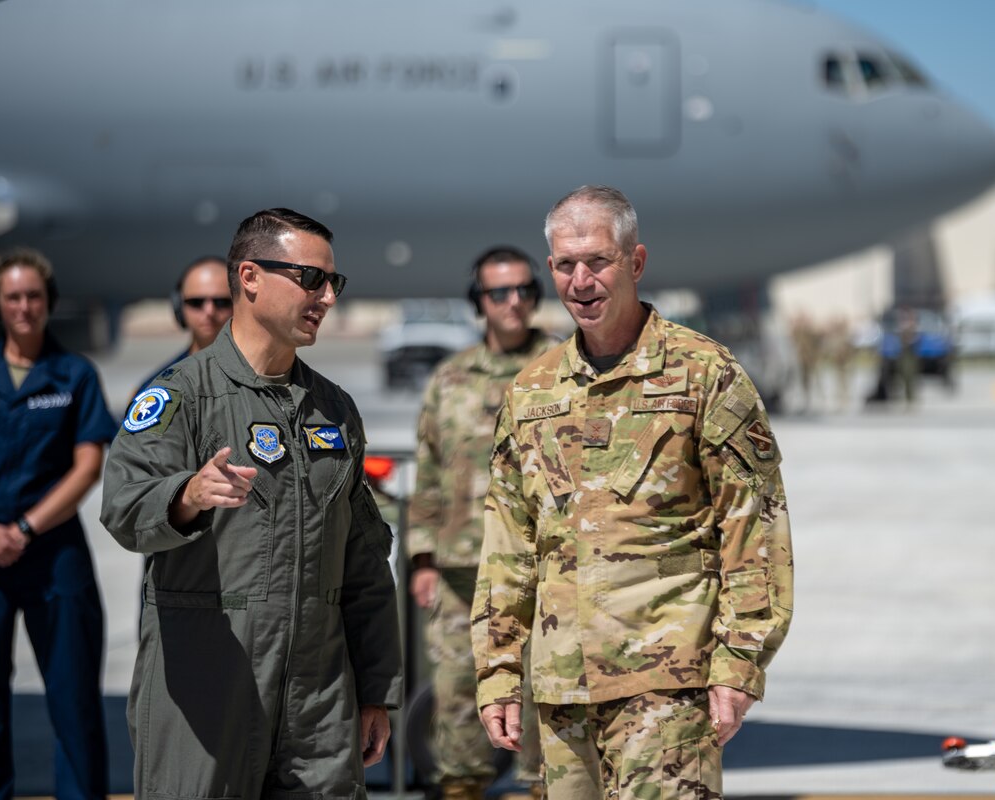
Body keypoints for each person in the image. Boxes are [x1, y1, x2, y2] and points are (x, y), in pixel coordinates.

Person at [473, 186, 794, 799]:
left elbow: (754, 530)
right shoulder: (532, 392)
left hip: (666, 687)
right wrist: (497, 671)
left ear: (636, 262)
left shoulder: (704, 374)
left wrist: (738, 665)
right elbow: (508, 546)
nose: (582, 280)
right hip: (562, 692)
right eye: (566, 265)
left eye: (598, 261)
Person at [100, 208, 403, 799]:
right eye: (310, 279)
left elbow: (365, 561)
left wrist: (374, 691)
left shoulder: (334, 411)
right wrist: (184, 496)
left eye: (332, 283)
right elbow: (123, 506)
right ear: (250, 277)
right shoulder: (182, 396)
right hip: (207, 692)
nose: (326, 297)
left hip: (317, 706)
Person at [406, 246, 555, 799]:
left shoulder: (562, 367)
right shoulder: (450, 379)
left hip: (542, 566)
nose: (513, 302)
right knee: (457, 696)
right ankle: (462, 788)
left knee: (545, 693)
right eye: (499, 292)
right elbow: (428, 471)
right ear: (479, 302)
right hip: (460, 568)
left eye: (523, 290)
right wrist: (422, 558)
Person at [0, 247, 117, 800]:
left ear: (49, 303)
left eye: (34, 297)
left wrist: (22, 529)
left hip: (52, 549)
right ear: (0, 304)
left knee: (72, 700)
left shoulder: (74, 375)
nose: (24, 307)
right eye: (13, 297)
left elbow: (88, 465)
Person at [130, 255, 233, 401]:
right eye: (196, 302)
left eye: (222, 302)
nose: (209, 311)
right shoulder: (156, 389)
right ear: (179, 307)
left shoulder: (265, 375)